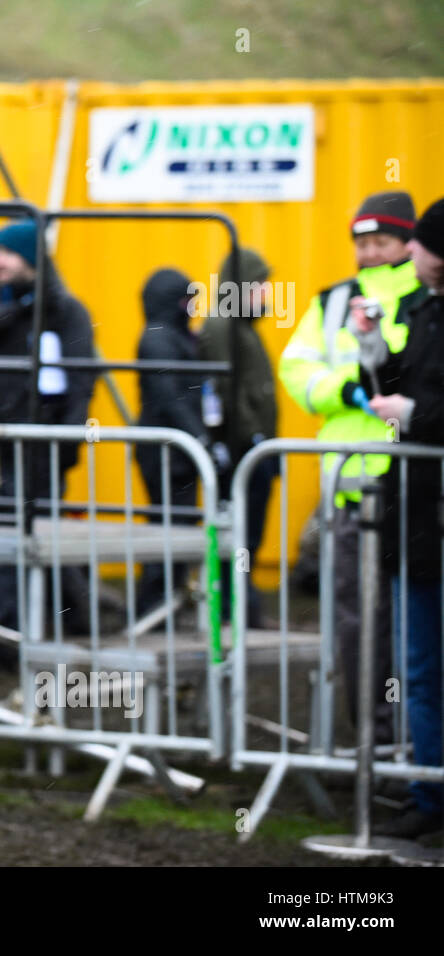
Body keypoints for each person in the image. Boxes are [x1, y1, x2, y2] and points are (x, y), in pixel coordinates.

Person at [279, 192, 420, 742]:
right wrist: (342, 388)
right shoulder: (333, 301)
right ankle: (374, 745)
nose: (368, 252)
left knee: (416, 622)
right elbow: (297, 368)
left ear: (408, 241)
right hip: (348, 487)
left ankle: (418, 746)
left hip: (414, 486)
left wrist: (381, 367)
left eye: (380, 241)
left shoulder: (427, 298)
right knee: (356, 623)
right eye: (360, 243)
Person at [0, 219, 96, 656]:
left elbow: (80, 377)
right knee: (24, 529)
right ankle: (36, 633)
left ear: (31, 257)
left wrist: (70, 438)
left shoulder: (66, 309)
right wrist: (15, 309)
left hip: (47, 441)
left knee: (30, 531)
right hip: (8, 437)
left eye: (8, 252)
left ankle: (18, 638)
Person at [354, 196, 444, 839]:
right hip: (413, 519)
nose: (411, 252)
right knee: (418, 666)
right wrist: (371, 349)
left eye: (422, 244)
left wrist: (416, 417)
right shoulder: (424, 312)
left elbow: (426, 403)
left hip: (429, 512)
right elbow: (403, 381)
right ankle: (429, 794)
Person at [199, 247, 276, 628]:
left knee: (250, 533)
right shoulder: (221, 326)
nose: (266, 294)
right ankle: (233, 607)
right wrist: (253, 437)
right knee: (238, 532)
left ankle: (242, 604)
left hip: (255, 451)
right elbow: (226, 390)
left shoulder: (242, 327)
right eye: (260, 285)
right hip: (242, 452)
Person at [134, 268, 208, 618]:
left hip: (177, 452)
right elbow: (169, 398)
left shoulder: (176, 336)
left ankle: (166, 606)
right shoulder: (158, 339)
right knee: (168, 532)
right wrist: (200, 436)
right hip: (165, 454)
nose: (191, 306)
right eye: (185, 299)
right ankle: (152, 608)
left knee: (176, 530)